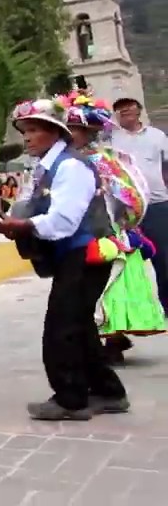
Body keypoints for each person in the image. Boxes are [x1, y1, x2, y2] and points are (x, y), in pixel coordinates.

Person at [0, 96, 128, 420]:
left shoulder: (70, 166)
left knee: (62, 327)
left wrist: (21, 225)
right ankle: (108, 392)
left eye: (33, 129)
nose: (26, 137)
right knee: (78, 325)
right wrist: (12, 221)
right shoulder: (46, 168)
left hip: (84, 253)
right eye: (24, 130)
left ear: (54, 132)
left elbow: (62, 222)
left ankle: (70, 398)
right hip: (72, 254)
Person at [61, 93, 164, 363]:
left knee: (111, 285)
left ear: (89, 132)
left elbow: (128, 194)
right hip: (80, 231)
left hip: (105, 229)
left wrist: (121, 219)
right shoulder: (68, 160)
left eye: (75, 130)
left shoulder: (103, 160)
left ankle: (111, 341)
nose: (70, 134)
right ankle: (105, 339)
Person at [111, 96, 168, 313]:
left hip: (157, 204)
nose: (125, 110)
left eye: (129, 106)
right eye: (120, 109)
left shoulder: (157, 136)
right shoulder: (111, 139)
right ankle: (130, 312)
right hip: (124, 210)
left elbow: (166, 166)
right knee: (126, 261)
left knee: (164, 258)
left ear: (138, 110)